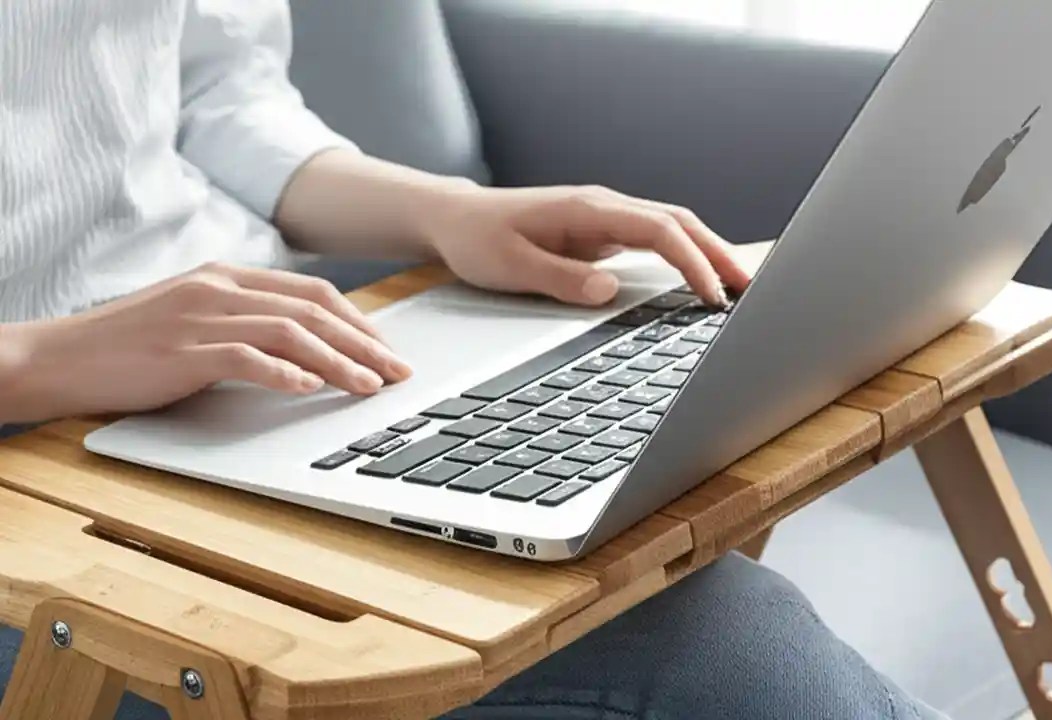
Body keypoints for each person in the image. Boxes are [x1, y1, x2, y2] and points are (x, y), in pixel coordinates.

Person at [0, 2, 944, 718]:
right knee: (717, 651)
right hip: (32, 444)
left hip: (246, 359)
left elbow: (218, 94)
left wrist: (447, 212)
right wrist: (45, 355)